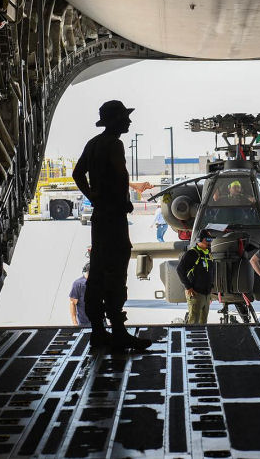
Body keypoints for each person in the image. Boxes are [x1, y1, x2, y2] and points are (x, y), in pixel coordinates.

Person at [73, 100, 152, 351]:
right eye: (125, 118)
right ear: (115, 120)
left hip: (100, 215)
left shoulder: (94, 143)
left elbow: (77, 173)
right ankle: (118, 330)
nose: (129, 121)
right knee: (116, 269)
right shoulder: (114, 144)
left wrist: (92, 196)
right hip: (114, 216)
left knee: (97, 270)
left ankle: (98, 331)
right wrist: (123, 203)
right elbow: (119, 175)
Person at [177, 230, 214, 324]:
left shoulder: (208, 253)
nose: (210, 242)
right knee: (193, 322)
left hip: (206, 294)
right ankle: (192, 339)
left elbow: (210, 272)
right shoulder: (192, 254)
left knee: (203, 322)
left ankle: (200, 339)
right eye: (208, 239)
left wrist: (210, 292)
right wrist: (188, 287)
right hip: (196, 294)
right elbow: (180, 270)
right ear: (200, 240)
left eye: (211, 239)